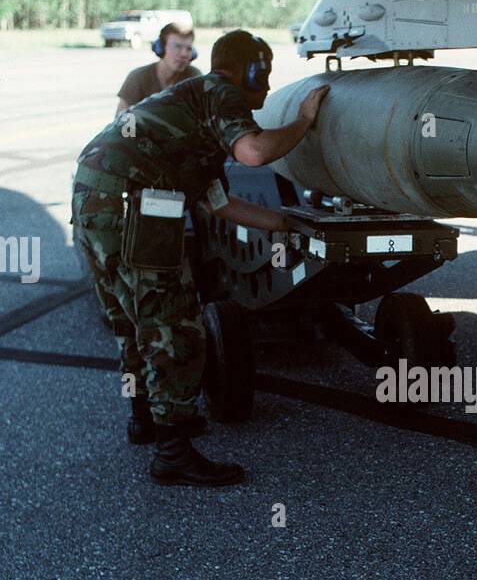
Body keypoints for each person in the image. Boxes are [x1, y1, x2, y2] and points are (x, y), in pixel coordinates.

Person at [71, 30, 329, 486]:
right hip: (140, 205)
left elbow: (221, 204)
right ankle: (173, 452)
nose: (267, 87)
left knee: (133, 317)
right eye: (263, 74)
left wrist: (285, 224)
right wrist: (304, 119)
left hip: (97, 199)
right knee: (176, 325)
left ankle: (147, 419)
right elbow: (253, 152)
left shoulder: (193, 108)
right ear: (249, 69)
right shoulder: (220, 91)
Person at [116, 22, 200, 113]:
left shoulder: (194, 77)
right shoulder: (138, 77)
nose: (184, 54)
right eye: (177, 46)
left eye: (189, 48)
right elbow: (121, 122)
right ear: (161, 48)